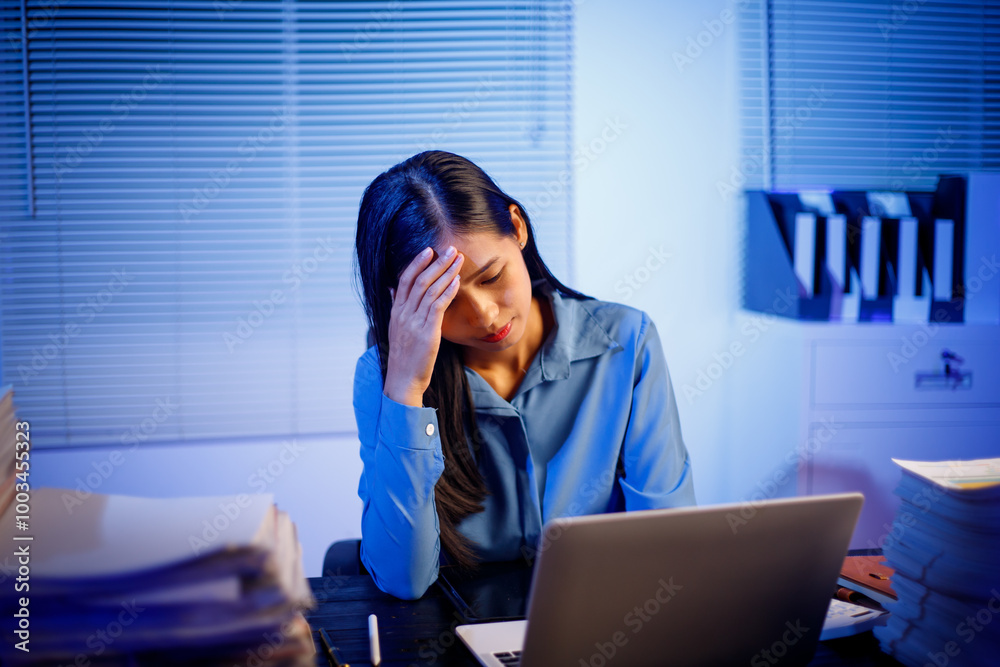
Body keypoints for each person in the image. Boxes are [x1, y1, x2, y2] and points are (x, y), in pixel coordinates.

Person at [353, 150, 695, 600]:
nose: (487, 316)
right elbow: (404, 579)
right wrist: (406, 389)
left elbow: (668, 545)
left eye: (492, 276)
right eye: (447, 301)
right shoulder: (387, 378)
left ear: (517, 227)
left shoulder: (628, 343)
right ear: (404, 301)